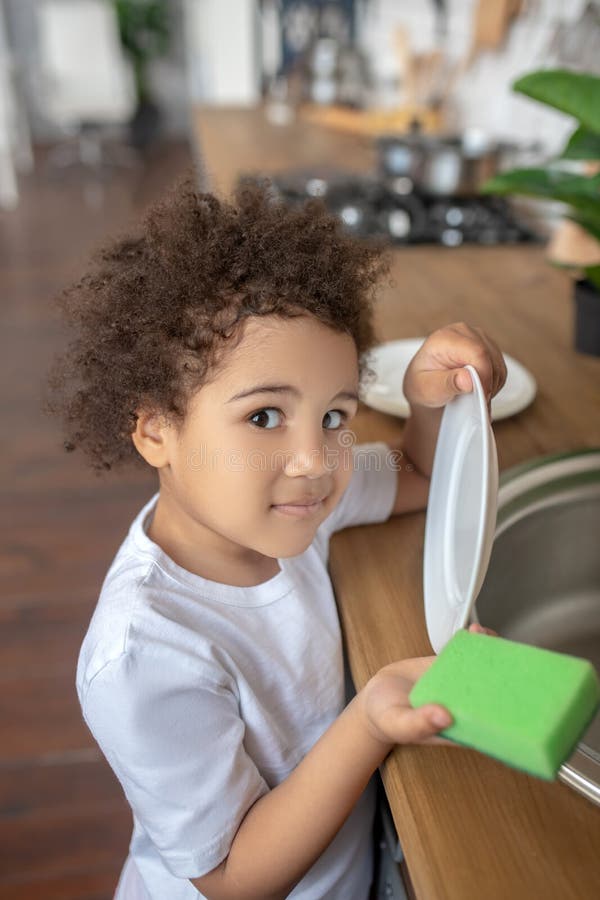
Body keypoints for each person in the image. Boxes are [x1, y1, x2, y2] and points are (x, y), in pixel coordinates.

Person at [49, 180, 506, 900]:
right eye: (265, 417)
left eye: (334, 416)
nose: (314, 460)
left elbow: (417, 472)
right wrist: (370, 721)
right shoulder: (143, 657)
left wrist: (427, 400)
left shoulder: (295, 502)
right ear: (155, 431)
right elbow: (231, 878)